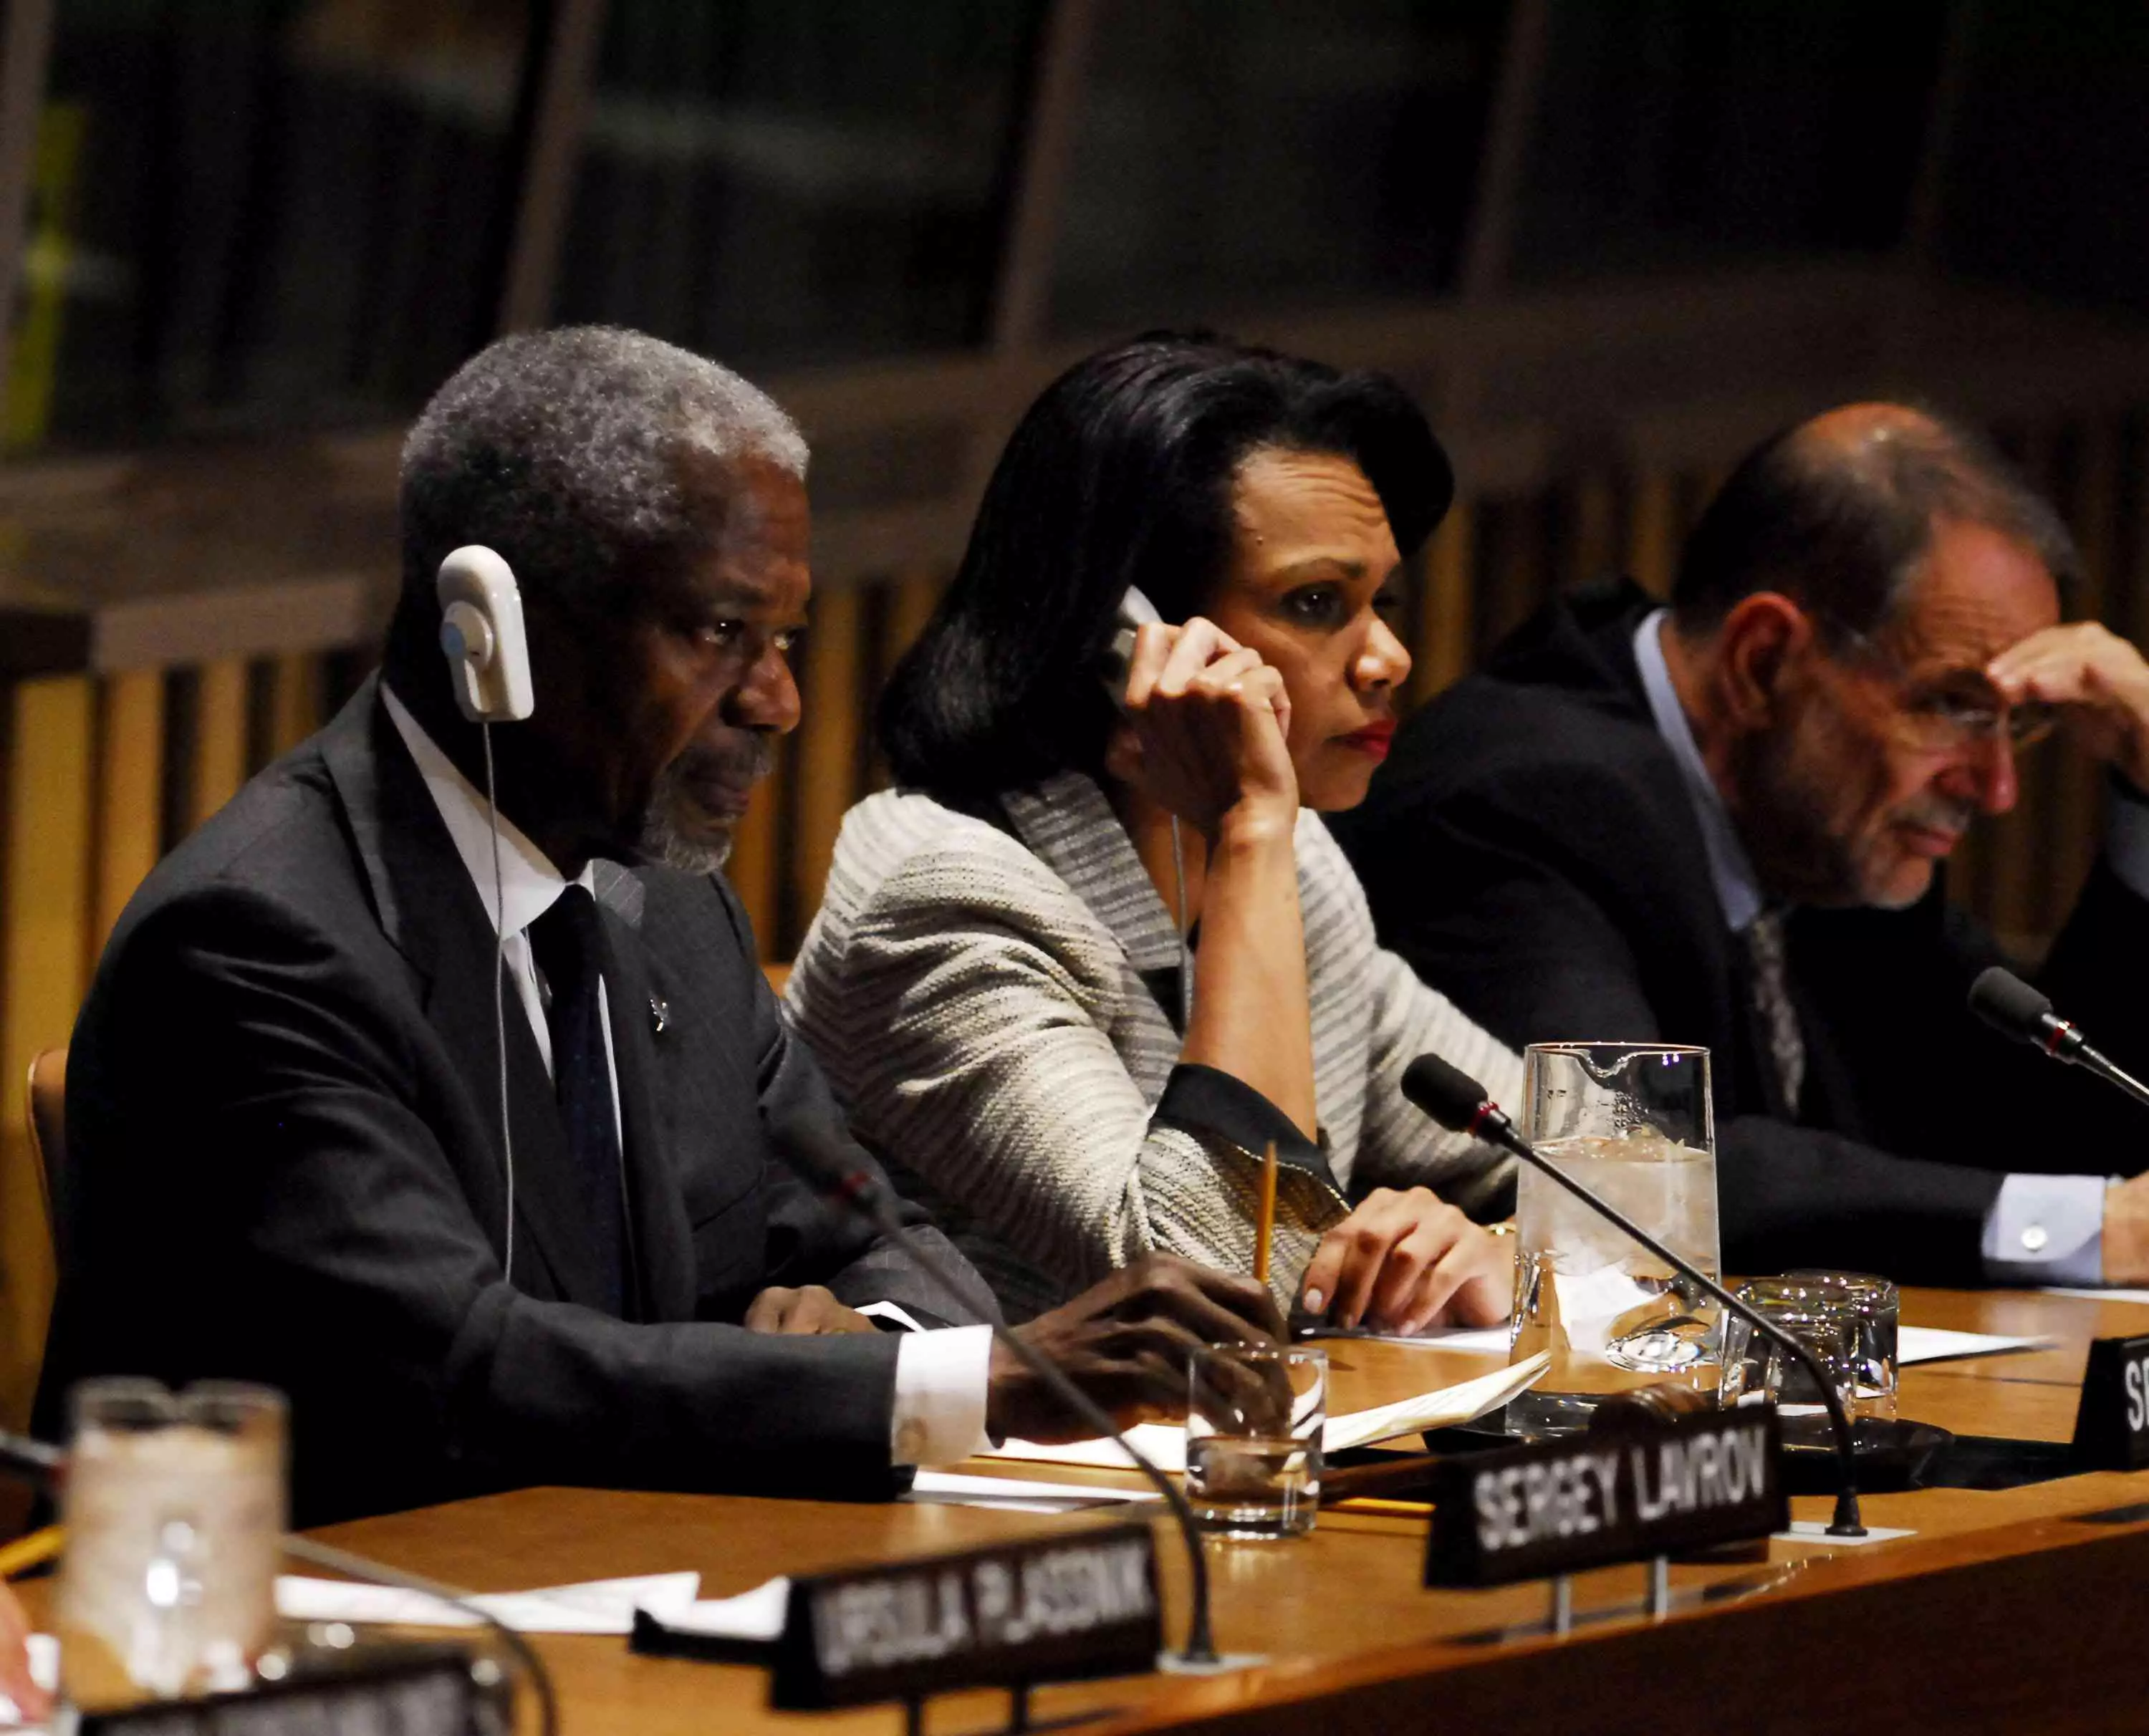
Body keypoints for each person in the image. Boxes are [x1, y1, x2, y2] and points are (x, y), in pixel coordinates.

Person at [34, 327, 1284, 1527]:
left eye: (783, 637)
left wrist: (879, 1341)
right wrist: (968, 1380)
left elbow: (861, 1223)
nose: (780, 699)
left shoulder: (661, 897)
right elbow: (464, 1362)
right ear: (495, 637)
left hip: (645, 1584)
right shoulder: (256, 942)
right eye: (716, 631)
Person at [785, 334, 1521, 1330]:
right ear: (1128, 642)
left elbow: (1601, 1168)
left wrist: (1487, 1245)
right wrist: (1254, 828)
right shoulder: (941, 907)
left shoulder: (1290, 862)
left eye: (1379, 601)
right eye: (1316, 604)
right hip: (990, 1480)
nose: (1388, 656)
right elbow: (1215, 1288)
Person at [1332, 403, 2149, 1286]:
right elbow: (1630, 1169)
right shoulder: (1521, 800)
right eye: (1953, 707)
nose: (1997, 789)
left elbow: (2039, 1135)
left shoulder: (1817, 822)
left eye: (2015, 726)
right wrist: (2097, 1227)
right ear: (1763, 660)